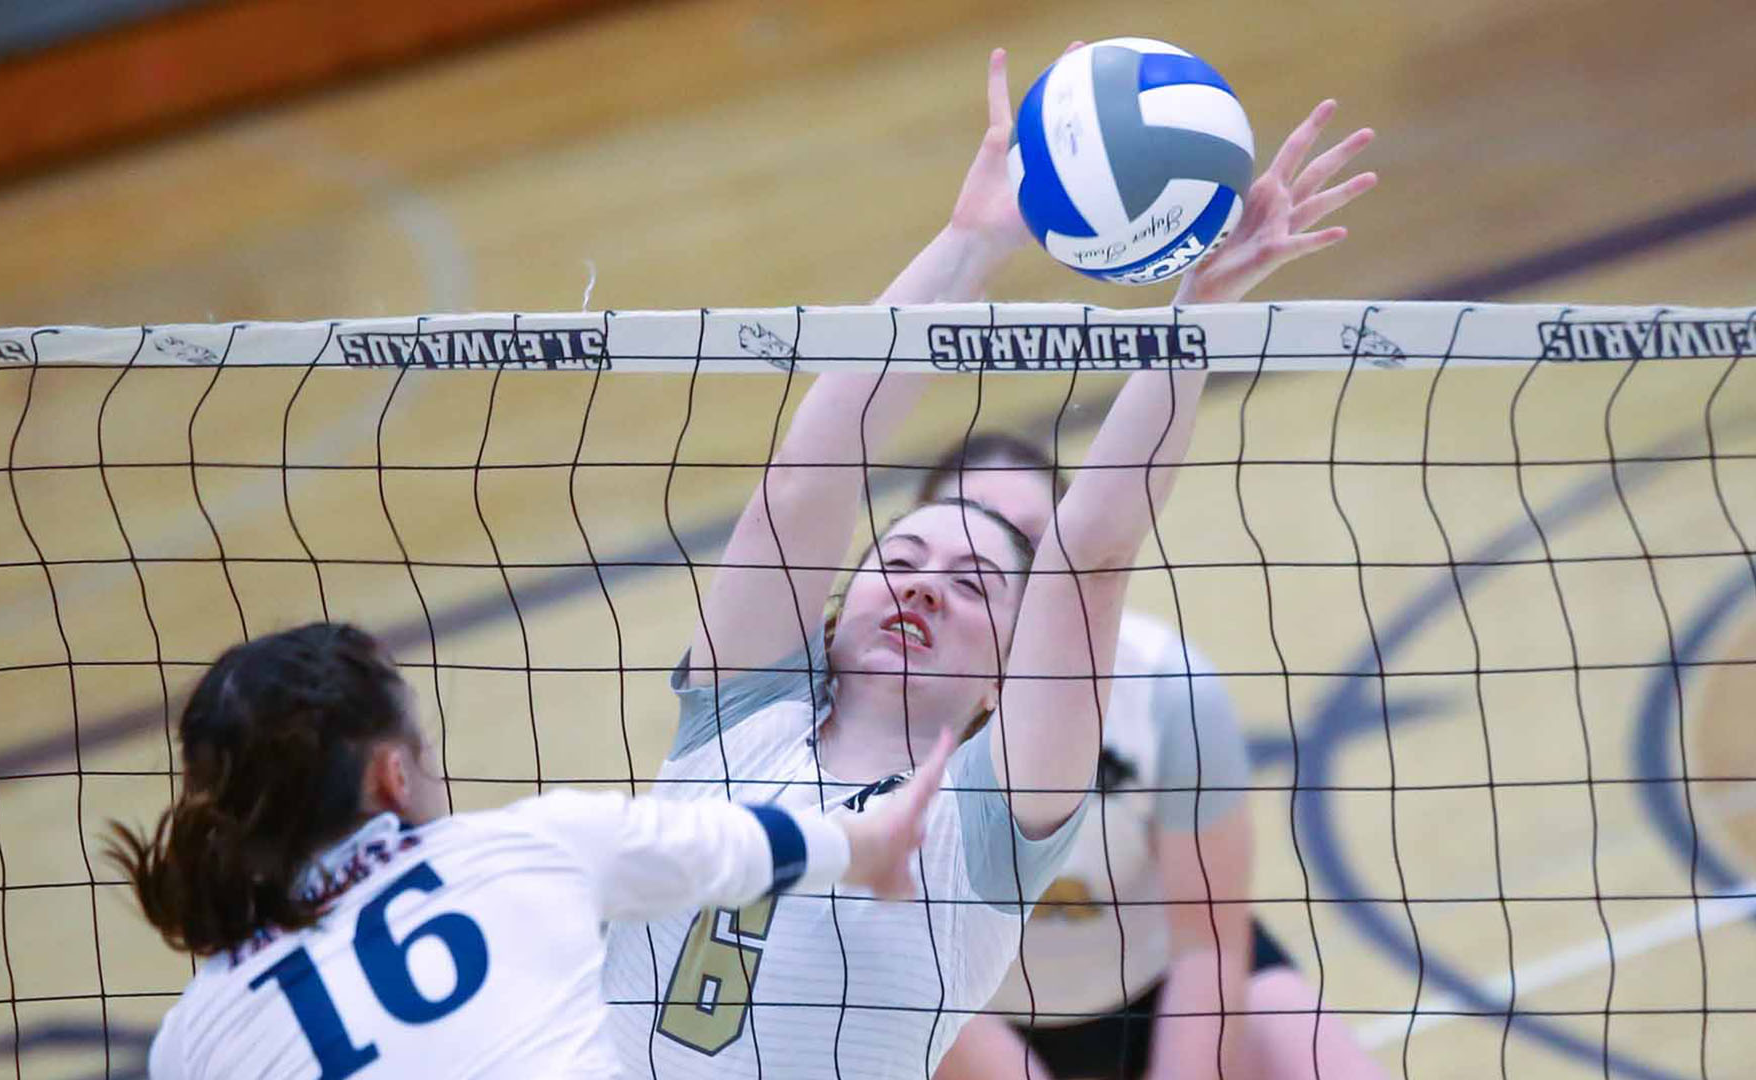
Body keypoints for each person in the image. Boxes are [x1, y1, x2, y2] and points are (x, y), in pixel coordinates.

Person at [601, 46, 1377, 1080]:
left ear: (1013, 674)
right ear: (835, 606)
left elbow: (1090, 554)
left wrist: (1199, 320)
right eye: (904, 554)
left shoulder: (988, 824)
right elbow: (804, 479)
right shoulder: (741, 720)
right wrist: (970, 245)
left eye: (973, 586)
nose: (924, 580)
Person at [107, 622, 956, 1080]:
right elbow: (733, 845)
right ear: (393, 777)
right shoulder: (517, 851)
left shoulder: (196, 1036)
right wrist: (873, 845)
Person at [919, 436, 1388, 1080]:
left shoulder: (1166, 686)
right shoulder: (883, 710)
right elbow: (907, 965)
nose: (1000, 558)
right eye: (972, 538)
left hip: (1170, 986)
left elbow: (1209, 944)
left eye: (1030, 536)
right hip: (963, 1022)